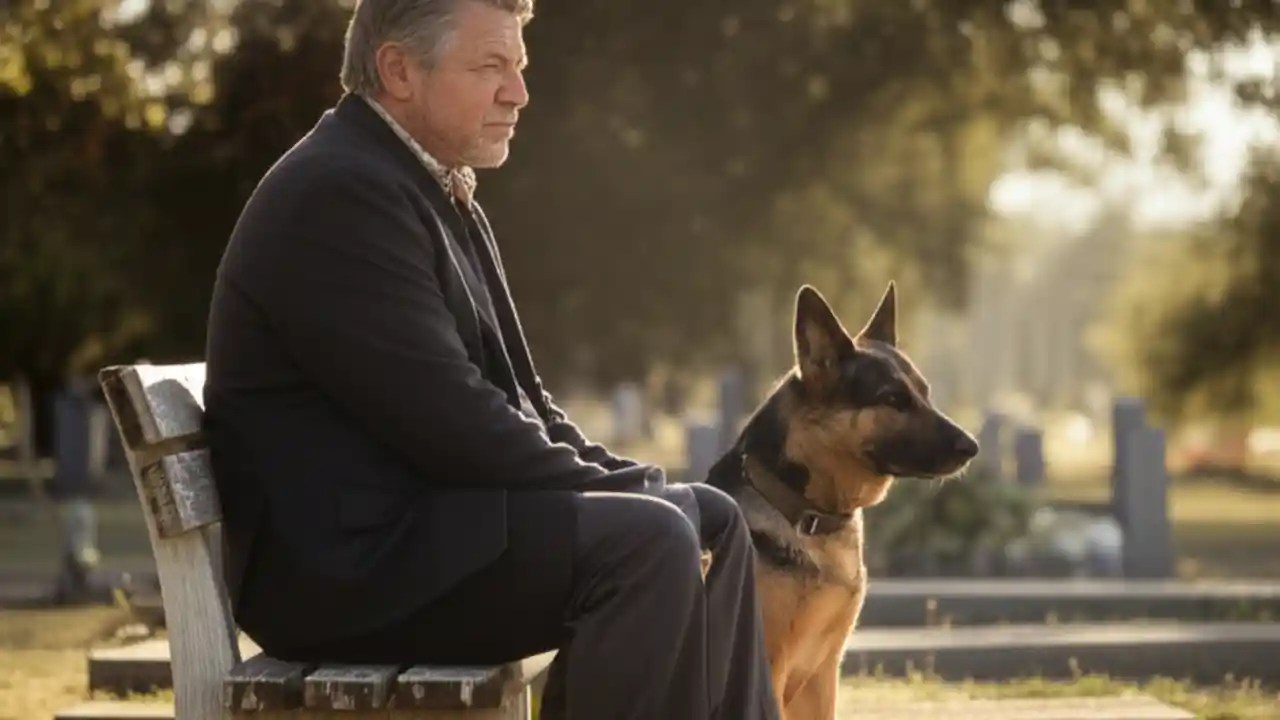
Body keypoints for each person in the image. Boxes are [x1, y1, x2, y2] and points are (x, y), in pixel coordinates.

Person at [202, 0, 781, 718]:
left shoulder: (431, 189)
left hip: (428, 537)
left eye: (519, 67)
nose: (519, 92)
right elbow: (457, 424)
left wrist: (639, 482)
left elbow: (525, 403)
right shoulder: (340, 193)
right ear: (399, 70)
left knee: (713, 517)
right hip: (350, 571)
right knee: (651, 540)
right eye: (490, 67)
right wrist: (640, 499)